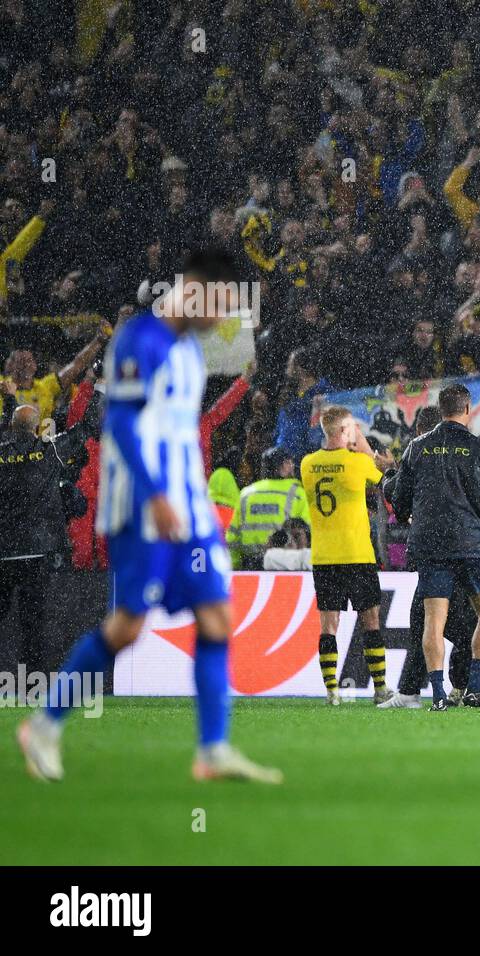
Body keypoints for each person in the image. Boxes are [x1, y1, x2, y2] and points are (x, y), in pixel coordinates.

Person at [16, 248, 281, 784]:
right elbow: (124, 426)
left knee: (217, 617)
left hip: (189, 506)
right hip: (142, 505)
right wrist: (156, 494)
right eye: (222, 303)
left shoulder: (188, 352)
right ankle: (44, 724)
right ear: (196, 289)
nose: (223, 317)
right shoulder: (141, 339)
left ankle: (212, 749)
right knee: (128, 626)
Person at [384, 384, 480, 711]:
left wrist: (408, 511)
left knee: (434, 621)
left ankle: (439, 694)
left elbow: (397, 498)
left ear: (441, 409)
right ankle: (475, 687)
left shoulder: (416, 447)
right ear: (468, 409)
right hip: (472, 546)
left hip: (430, 546)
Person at [300, 406, 395, 706]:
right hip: (356, 554)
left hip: (324, 556)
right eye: (352, 427)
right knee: (371, 621)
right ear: (343, 432)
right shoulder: (356, 464)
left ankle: (332, 692)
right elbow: (385, 479)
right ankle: (380, 688)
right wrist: (365, 446)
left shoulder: (307, 463)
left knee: (328, 625)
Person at [0, 403, 88, 674]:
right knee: (34, 625)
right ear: (37, 427)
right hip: (37, 554)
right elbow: (85, 429)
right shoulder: (48, 453)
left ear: (12, 427)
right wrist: (100, 388)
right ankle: (30, 686)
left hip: (3, 554)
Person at [226, 446, 309, 569]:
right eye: (290, 462)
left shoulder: (246, 494)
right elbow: (307, 533)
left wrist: (235, 566)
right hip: (284, 565)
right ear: (284, 465)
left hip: (250, 566)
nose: (292, 466)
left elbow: (232, 537)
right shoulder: (297, 493)